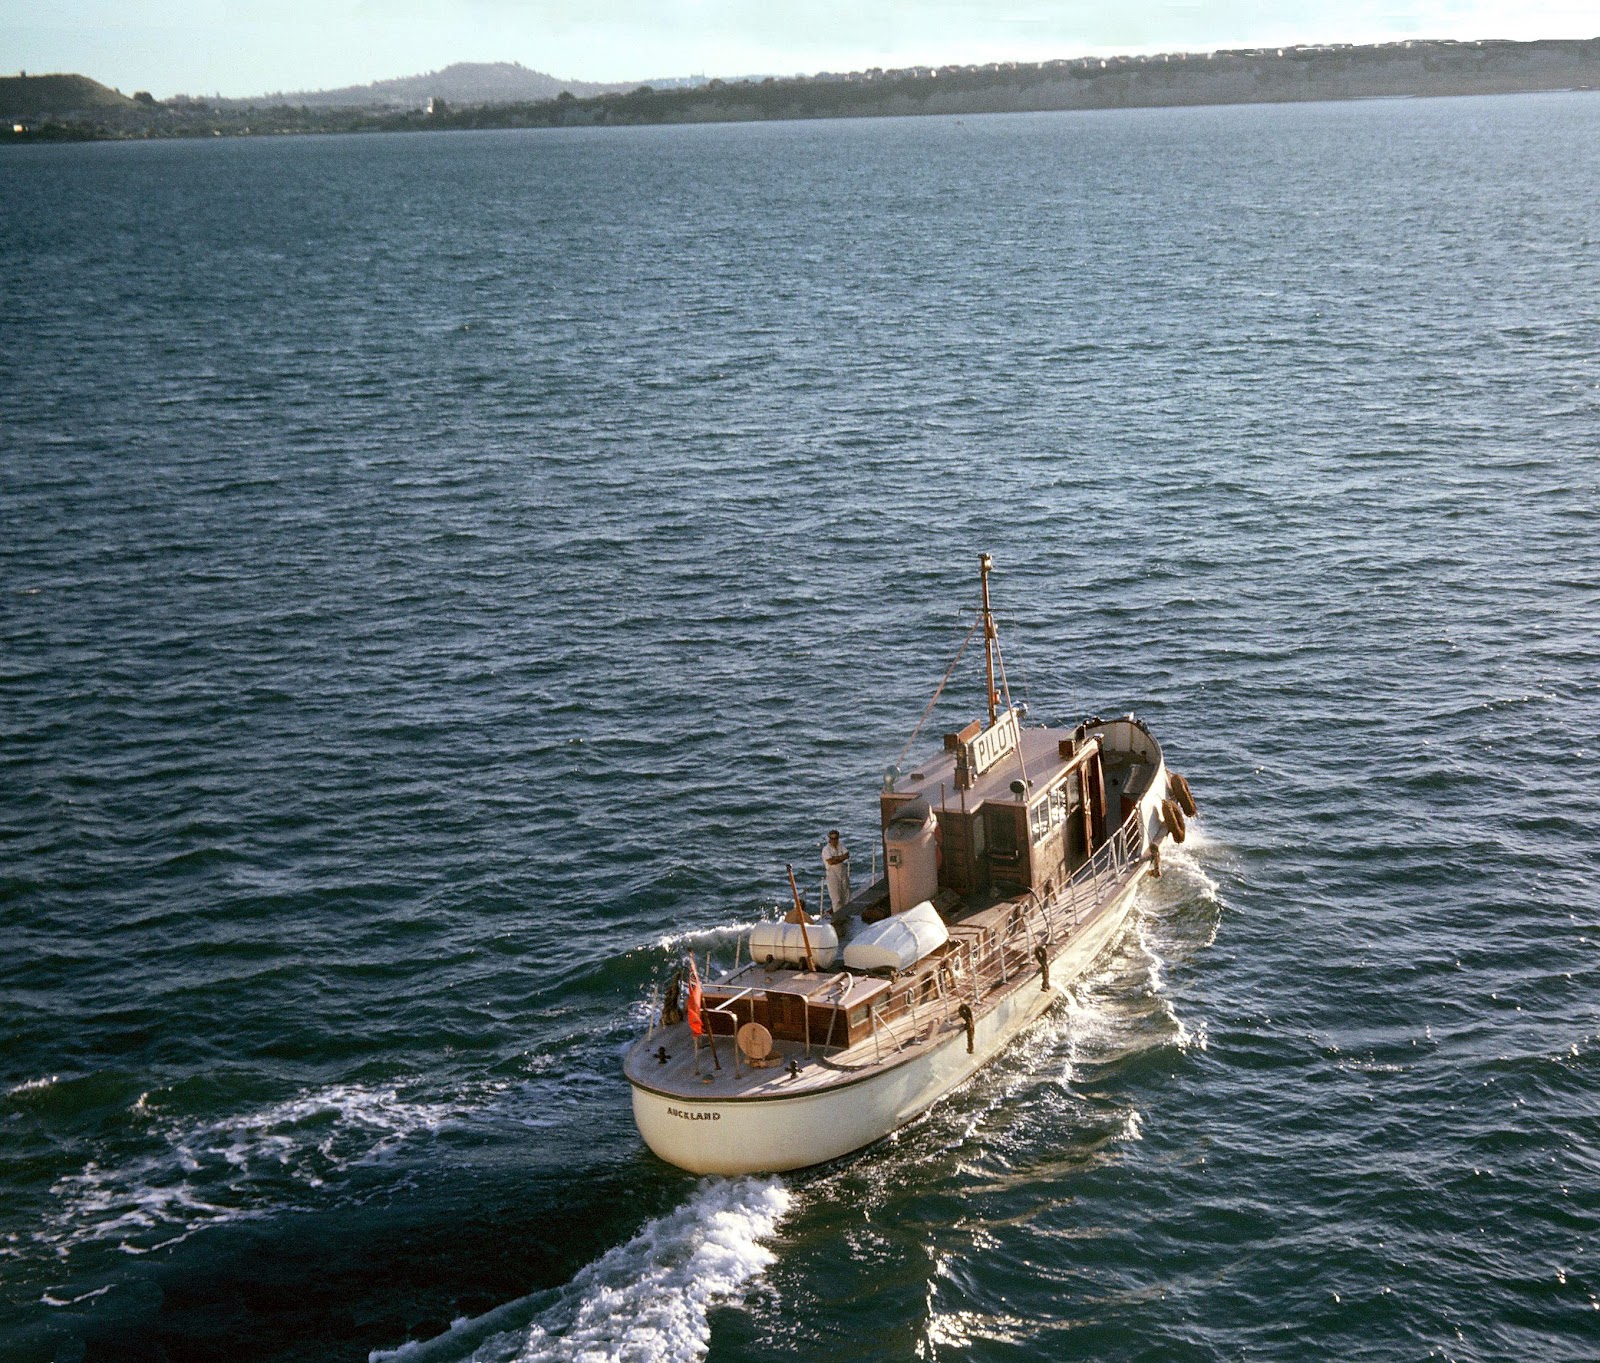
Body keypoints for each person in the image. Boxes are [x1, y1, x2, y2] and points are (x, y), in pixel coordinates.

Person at [822, 829, 850, 914]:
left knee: (846, 894)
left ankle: (846, 913)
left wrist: (836, 858)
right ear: (829, 839)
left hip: (842, 872)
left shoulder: (841, 845)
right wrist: (841, 858)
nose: (834, 840)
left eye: (836, 838)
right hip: (832, 875)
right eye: (832, 839)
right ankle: (838, 916)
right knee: (836, 898)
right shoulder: (826, 849)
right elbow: (831, 862)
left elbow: (847, 855)